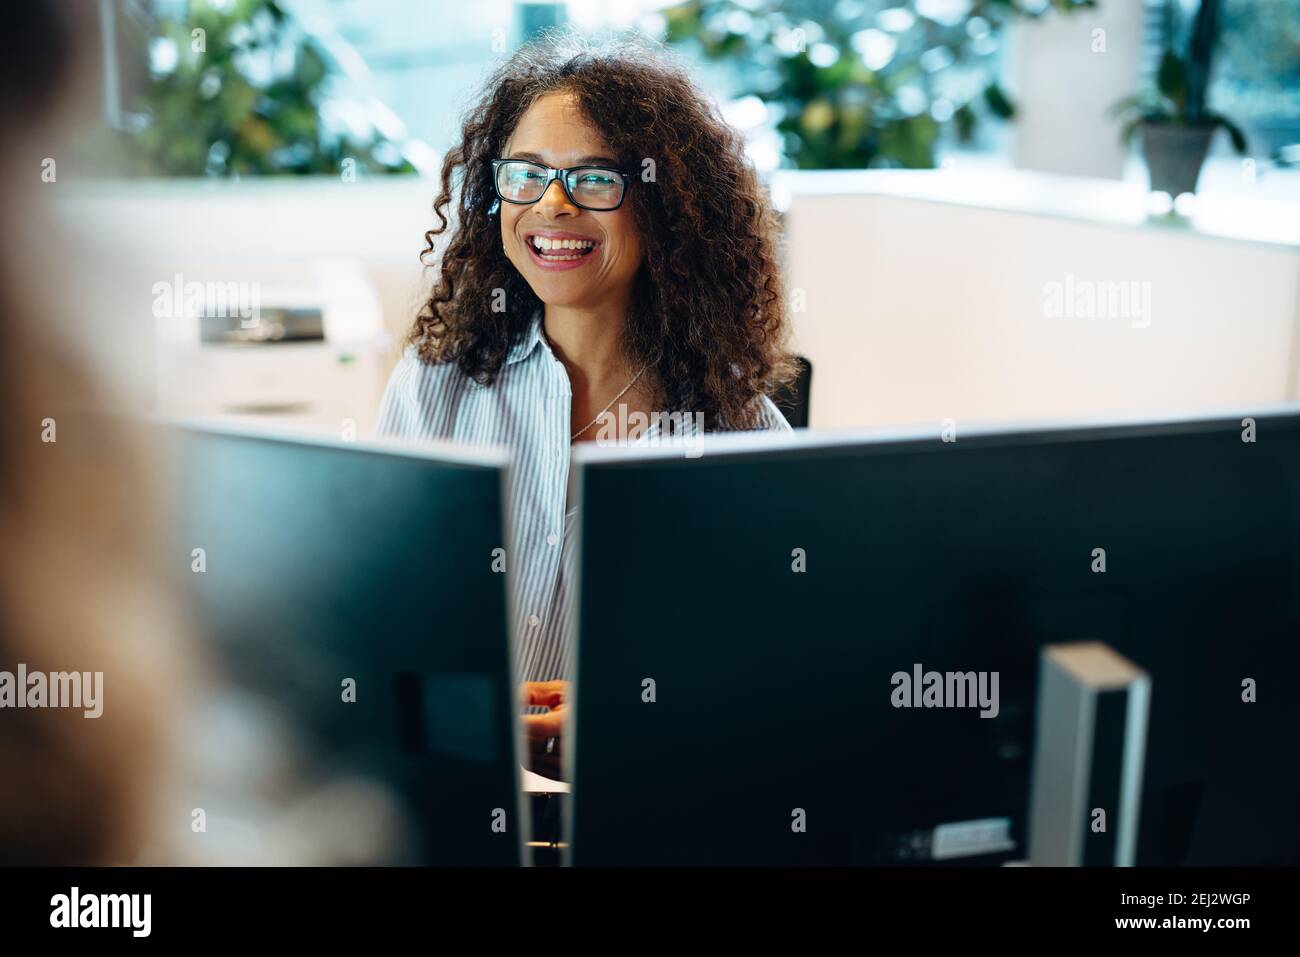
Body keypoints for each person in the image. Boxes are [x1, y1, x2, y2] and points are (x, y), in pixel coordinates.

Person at [376, 31, 797, 780]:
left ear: (664, 207)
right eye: (526, 176)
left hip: (642, 807)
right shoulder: (433, 387)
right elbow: (378, 630)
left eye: (595, 180)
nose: (553, 207)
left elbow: (766, 680)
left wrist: (622, 721)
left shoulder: (740, 427)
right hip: (457, 789)